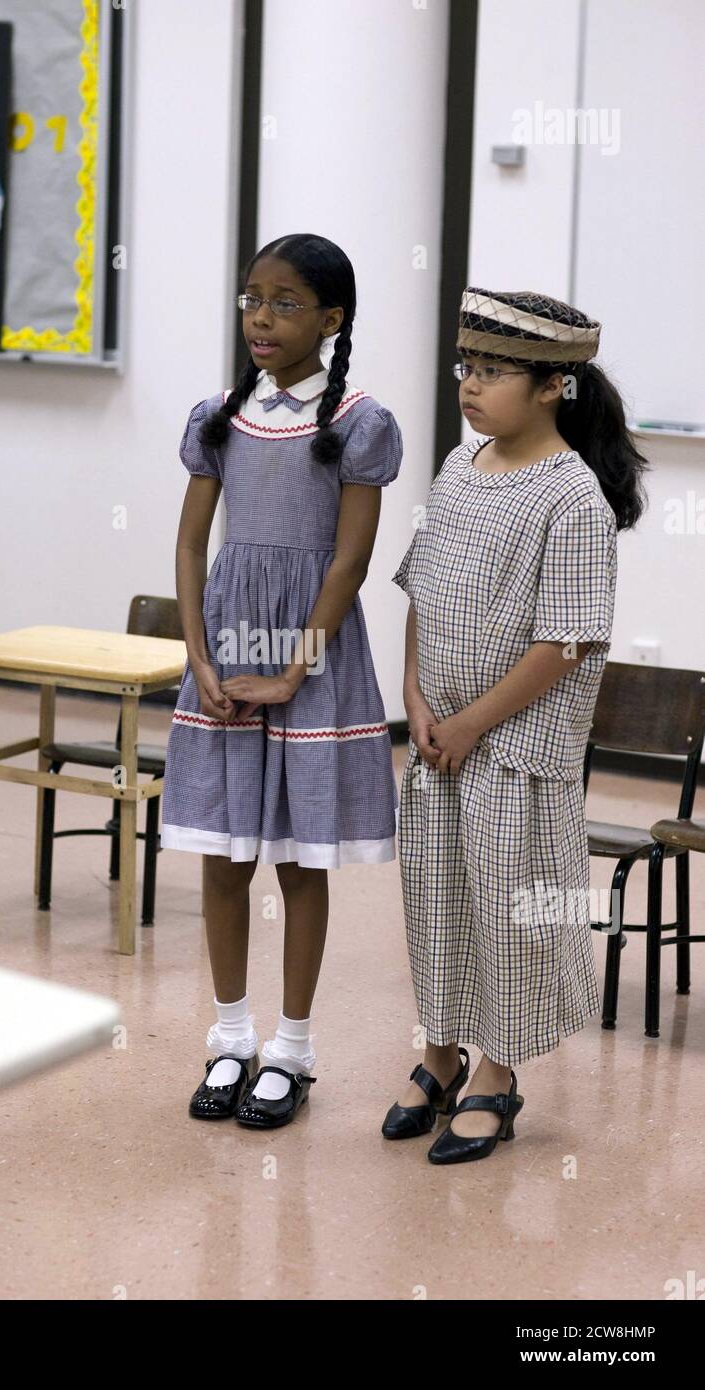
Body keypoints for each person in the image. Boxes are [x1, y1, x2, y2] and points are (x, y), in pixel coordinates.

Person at [384, 286, 648, 1163]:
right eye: (467, 367)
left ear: (551, 388)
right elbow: (420, 588)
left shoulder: (571, 497)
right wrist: (419, 703)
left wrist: (469, 724)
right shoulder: (459, 468)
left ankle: (497, 1073)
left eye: (493, 372)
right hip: (439, 747)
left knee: (510, 916)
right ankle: (438, 1051)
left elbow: (563, 643)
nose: (471, 386)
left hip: (513, 751)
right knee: (435, 904)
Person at [160, 233, 404, 1129]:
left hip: (312, 654)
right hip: (225, 650)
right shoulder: (219, 414)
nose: (261, 318)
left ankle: (291, 1053)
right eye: (251, 299)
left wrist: (294, 666)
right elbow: (191, 544)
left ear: (330, 320)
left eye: (286, 303)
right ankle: (229, 1038)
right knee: (225, 855)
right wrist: (200, 653)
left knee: (301, 863)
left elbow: (349, 562)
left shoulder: (358, 423)